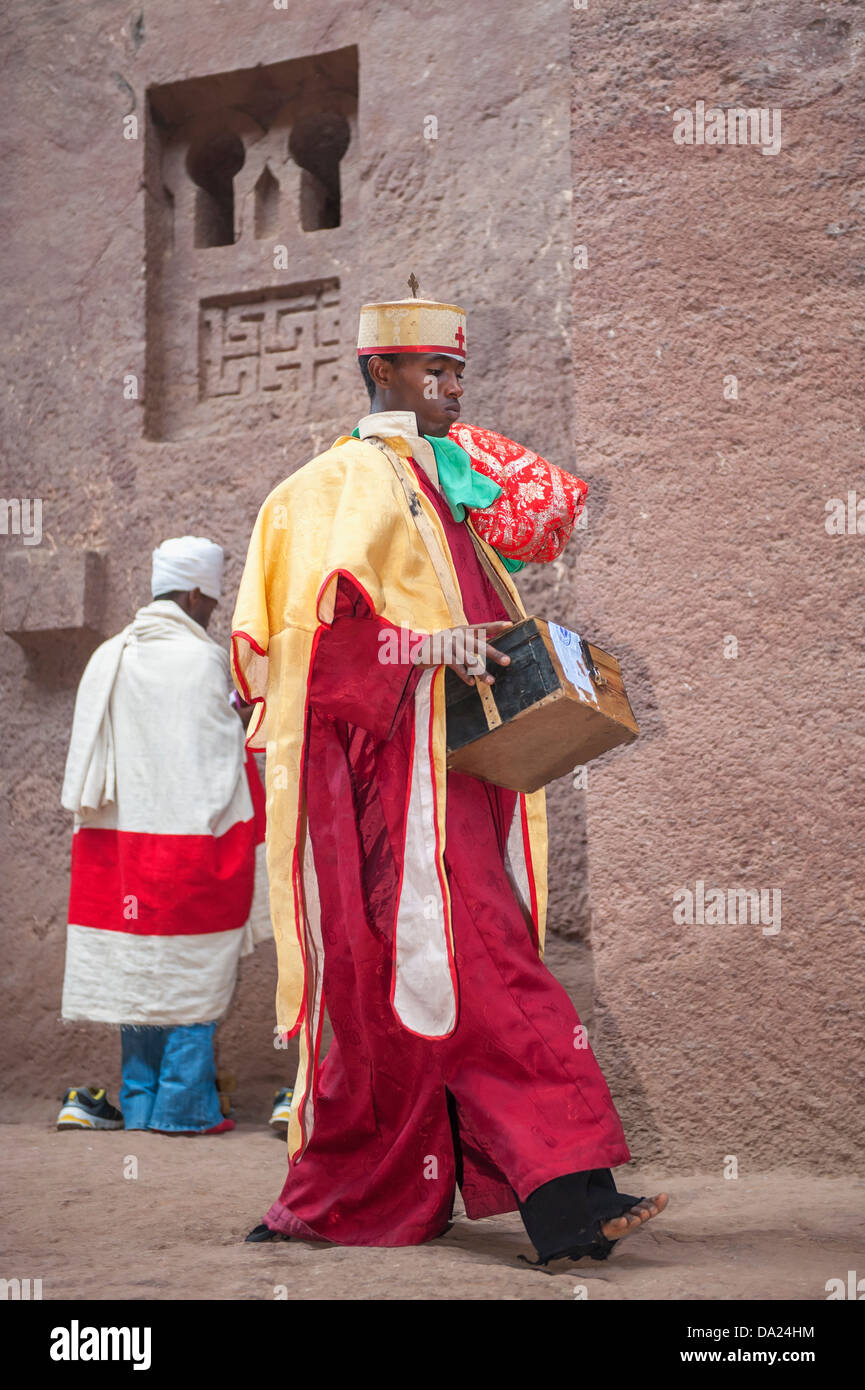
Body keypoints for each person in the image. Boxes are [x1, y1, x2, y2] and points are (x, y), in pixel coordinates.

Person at [232, 291, 668, 1261]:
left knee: (433, 995)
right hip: (395, 797)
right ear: (379, 372)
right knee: (491, 978)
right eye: (435, 370)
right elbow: (317, 648)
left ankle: (359, 1191)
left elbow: (539, 518)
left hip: (459, 782)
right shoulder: (340, 482)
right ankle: (568, 1203)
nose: (453, 386)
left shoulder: (446, 487)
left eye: (459, 371)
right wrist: (434, 647)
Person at [59, 536, 268, 1135]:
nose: (213, 615)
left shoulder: (110, 656)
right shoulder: (201, 661)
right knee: (190, 965)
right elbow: (220, 761)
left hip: (120, 849)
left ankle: (141, 1104)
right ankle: (183, 1109)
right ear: (196, 594)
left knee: (141, 969)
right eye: (212, 603)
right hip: (186, 847)